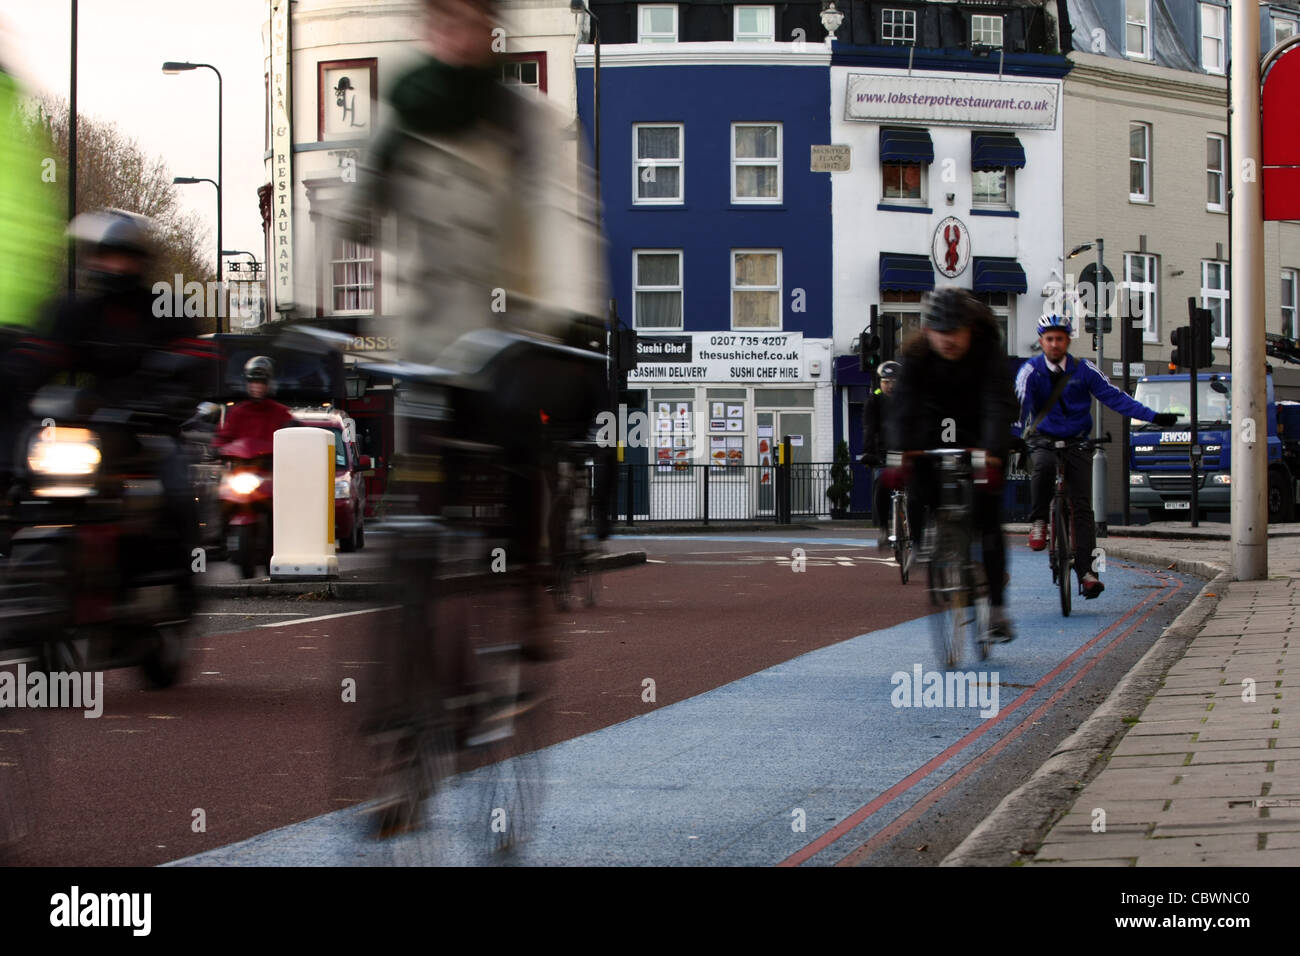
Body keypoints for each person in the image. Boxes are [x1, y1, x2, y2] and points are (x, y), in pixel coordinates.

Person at [1015, 313, 1177, 598]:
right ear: (1041, 341)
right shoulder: (1031, 371)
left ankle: (1087, 572)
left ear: (1067, 340)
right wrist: (1014, 439)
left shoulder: (1083, 369)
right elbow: (1019, 409)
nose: (1054, 344)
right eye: (1049, 339)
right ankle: (1039, 521)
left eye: (1060, 339)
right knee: (1042, 467)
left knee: (1082, 507)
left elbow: (1115, 397)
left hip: (1078, 439)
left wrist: (1153, 416)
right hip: (1044, 438)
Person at [889, 288, 1018, 641]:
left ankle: (997, 609)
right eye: (940, 333)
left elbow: (997, 402)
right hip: (933, 424)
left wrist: (991, 454)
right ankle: (928, 536)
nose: (947, 341)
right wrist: (902, 454)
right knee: (917, 475)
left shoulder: (986, 351)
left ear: (970, 329)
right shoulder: (916, 356)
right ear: (928, 331)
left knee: (989, 518)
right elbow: (904, 407)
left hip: (980, 425)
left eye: (954, 332)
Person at [213, 356, 295, 452]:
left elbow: (291, 441)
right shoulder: (237, 412)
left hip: (270, 465)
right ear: (247, 384)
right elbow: (223, 438)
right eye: (253, 382)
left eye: (262, 382)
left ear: (269, 384)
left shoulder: (281, 412)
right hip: (241, 465)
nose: (257, 387)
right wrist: (218, 449)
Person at [861, 360, 900, 548]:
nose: (889, 385)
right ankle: (884, 528)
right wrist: (869, 452)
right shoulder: (874, 401)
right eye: (885, 381)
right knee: (881, 484)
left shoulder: (908, 400)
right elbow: (869, 428)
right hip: (883, 453)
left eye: (893, 381)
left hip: (906, 452)